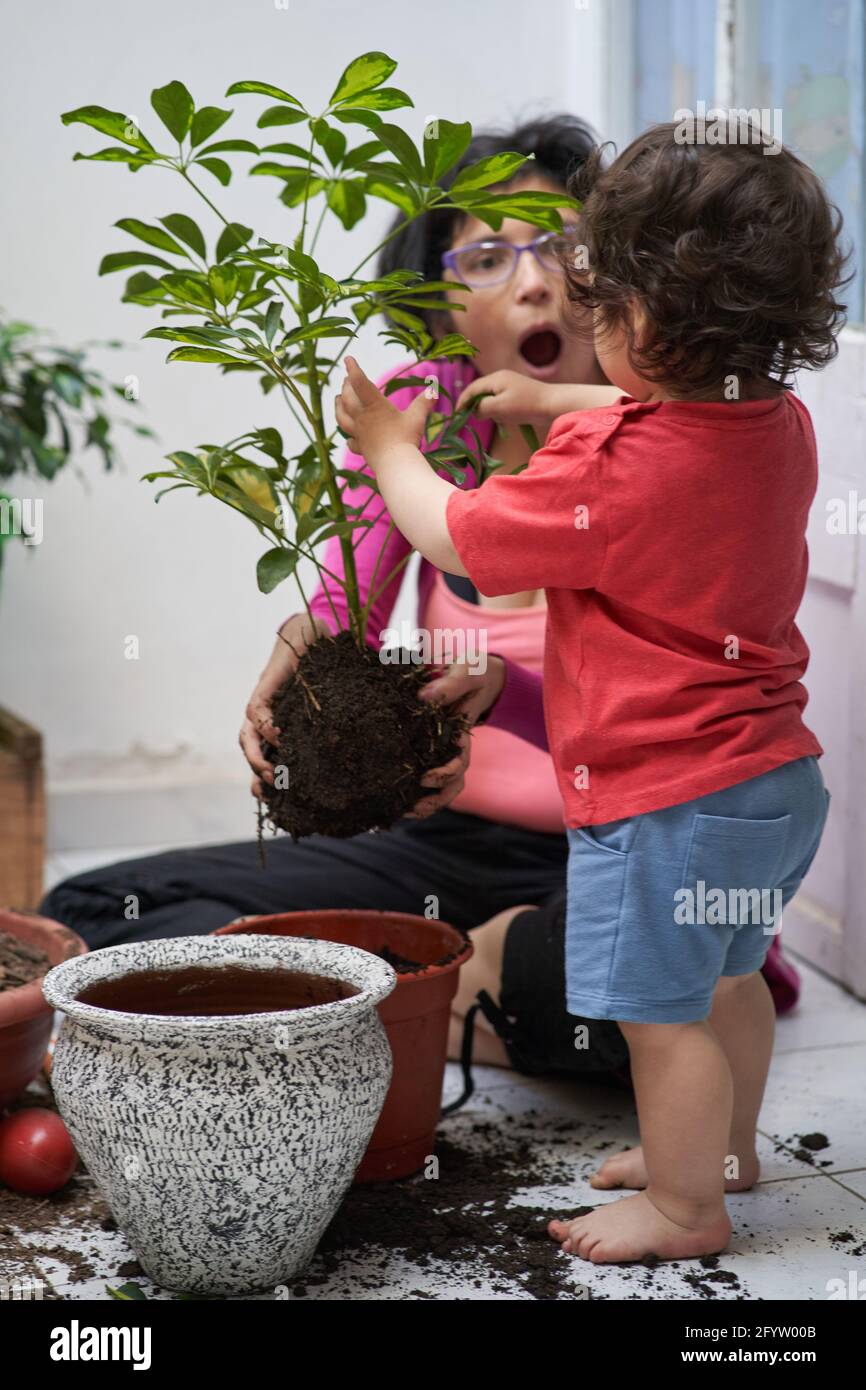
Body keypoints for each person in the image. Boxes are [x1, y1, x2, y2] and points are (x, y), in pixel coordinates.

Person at [335, 117, 844, 1263]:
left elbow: (454, 534)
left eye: (598, 303)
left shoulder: (603, 475)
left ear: (639, 324)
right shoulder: (772, 421)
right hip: (769, 786)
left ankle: (683, 1207)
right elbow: (654, 421)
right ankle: (723, 1154)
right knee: (726, 986)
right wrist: (552, 399)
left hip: (659, 799)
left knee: (653, 1015)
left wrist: (387, 450)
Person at [39, 115, 634, 1087]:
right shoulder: (424, 415)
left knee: (631, 988)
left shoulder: (653, 443)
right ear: (436, 307)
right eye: (485, 255)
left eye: (562, 244)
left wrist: (504, 695)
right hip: (440, 842)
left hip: (613, 847)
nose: (533, 280)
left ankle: (395, 986)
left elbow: (668, 701)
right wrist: (300, 651)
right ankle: (437, 983)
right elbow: (342, 600)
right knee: (101, 911)